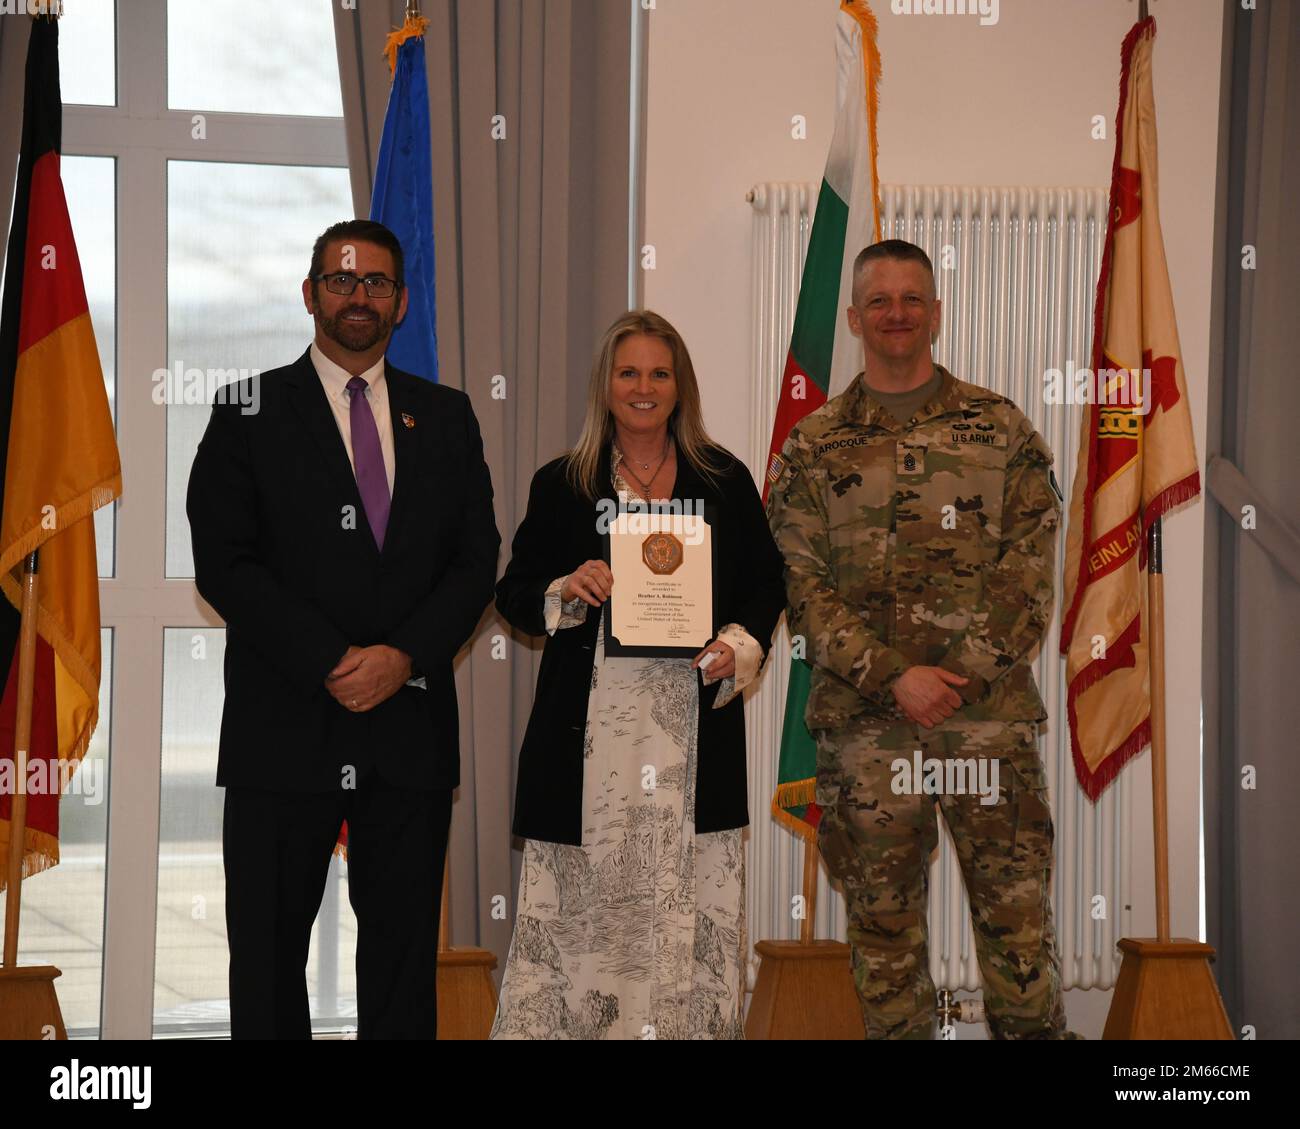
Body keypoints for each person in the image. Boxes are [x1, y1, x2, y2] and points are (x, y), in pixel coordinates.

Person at [186, 219, 499, 1039]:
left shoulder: (449, 415)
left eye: (378, 284)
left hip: (408, 729)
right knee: (266, 956)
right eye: (341, 280)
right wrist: (331, 659)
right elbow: (226, 563)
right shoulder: (246, 409)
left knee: (400, 967)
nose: (359, 297)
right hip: (282, 726)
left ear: (400, 302)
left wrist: (403, 657)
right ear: (309, 293)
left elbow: (476, 560)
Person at [766, 239, 1073, 1039]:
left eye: (912, 298)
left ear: (936, 312)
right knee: (884, 938)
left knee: (1018, 935)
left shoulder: (999, 428)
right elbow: (800, 585)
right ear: (855, 316)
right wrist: (896, 676)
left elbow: (1031, 568)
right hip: (869, 729)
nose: (896, 313)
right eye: (880, 300)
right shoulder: (813, 445)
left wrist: (959, 675)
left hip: (988, 723)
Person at [491, 310, 786, 1040]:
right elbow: (514, 592)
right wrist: (567, 582)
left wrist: (739, 643)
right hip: (588, 746)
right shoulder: (564, 483)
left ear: (679, 384)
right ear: (607, 385)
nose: (645, 387)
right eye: (630, 373)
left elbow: (766, 584)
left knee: (685, 922)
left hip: (692, 739)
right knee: (584, 931)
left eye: (660, 372)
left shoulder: (723, 478)